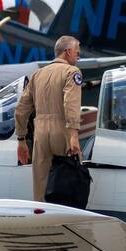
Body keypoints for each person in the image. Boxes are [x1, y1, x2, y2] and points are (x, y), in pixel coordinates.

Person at [14, 35, 86, 201]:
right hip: (63, 132)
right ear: (67, 52)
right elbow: (71, 103)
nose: (78, 56)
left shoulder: (37, 74)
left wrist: (21, 139)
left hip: (40, 135)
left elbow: (22, 108)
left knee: (41, 187)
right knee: (69, 181)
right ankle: (65, 219)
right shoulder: (72, 72)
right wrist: (74, 135)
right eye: (77, 52)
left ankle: (41, 219)